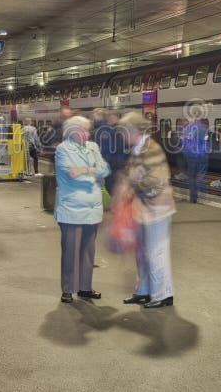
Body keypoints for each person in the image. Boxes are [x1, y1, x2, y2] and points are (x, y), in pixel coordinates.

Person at [117, 112, 177, 309]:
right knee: (142, 253)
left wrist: (134, 183)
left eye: (124, 131)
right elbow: (131, 175)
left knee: (156, 252)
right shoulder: (137, 148)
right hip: (143, 209)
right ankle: (144, 290)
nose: (122, 135)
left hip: (158, 209)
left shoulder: (152, 149)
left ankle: (162, 294)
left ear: (133, 130)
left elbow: (156, 180)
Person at [54, 116, 110, 303]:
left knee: (88, 250)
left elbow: (105, 169)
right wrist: (92, 172)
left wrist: (84, 170)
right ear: (71, 131)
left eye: (87, 129)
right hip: (72, 209)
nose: (87, 133)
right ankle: (68, 289)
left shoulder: (93, 147)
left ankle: (85, 287)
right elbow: (72, 175)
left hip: (92, 208)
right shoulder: (63, 149)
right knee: (70, 251)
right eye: (82, 130)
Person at [182, 115, 209, 203]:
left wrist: (186, 152)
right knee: (200, 175)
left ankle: (193, 198)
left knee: (192, 177)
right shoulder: (204, 128)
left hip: (192, 155)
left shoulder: (189, 127)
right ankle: (202, 194)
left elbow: (187, 141)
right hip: (202, 155)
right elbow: (206, 141)